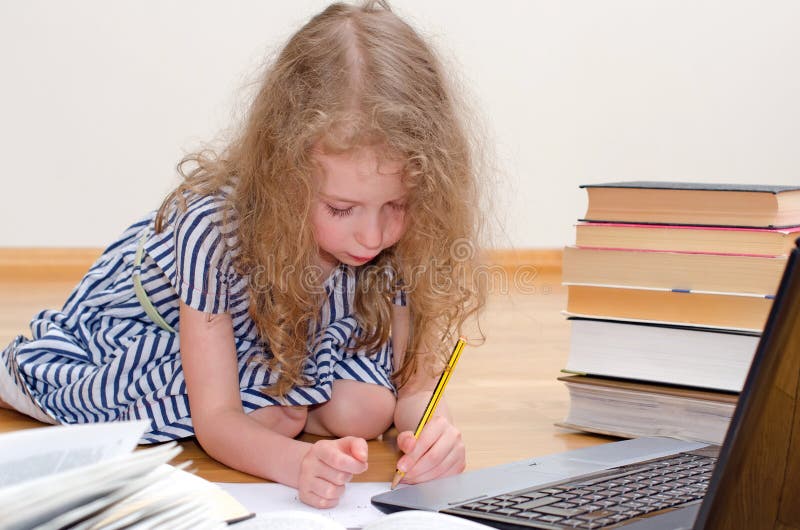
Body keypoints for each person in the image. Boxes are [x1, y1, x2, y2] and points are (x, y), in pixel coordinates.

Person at [0, 0, 485, 508]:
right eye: (342, 209)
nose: (372, 236)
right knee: (273, 419)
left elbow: (414, 385)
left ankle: (291, 399)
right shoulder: (211, 230)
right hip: (150, 330)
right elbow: (217, 420)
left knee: (367, 408)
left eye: (396, 205)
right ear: (284, 173)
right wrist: (295, 463)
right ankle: (285, 405)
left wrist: (435, 433)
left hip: (282, 337)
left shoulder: (400, 230)